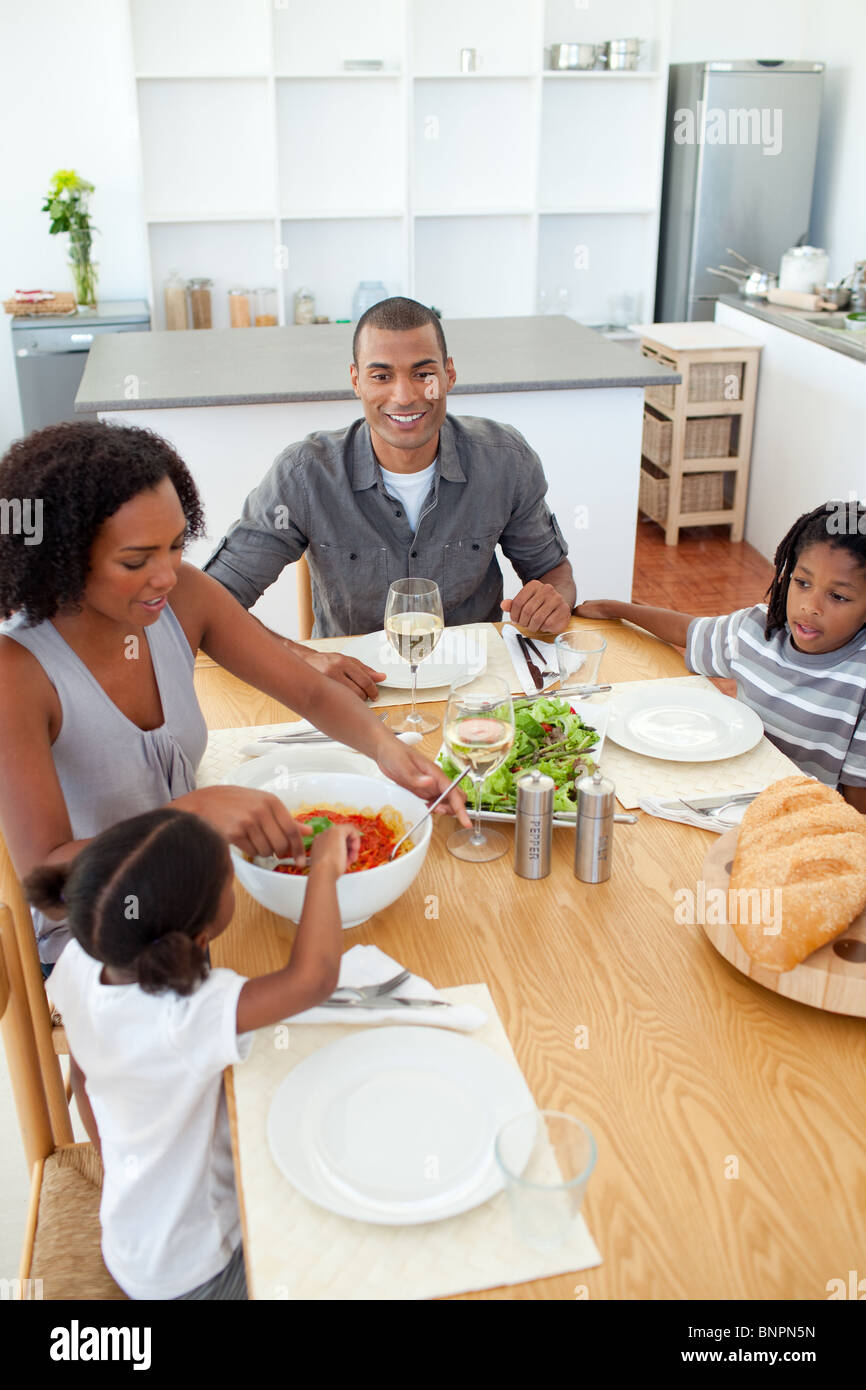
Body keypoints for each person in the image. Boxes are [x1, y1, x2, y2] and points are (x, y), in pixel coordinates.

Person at [0, 421, 468, 971]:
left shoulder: (183, 598)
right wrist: (188, 817)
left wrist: (392, 754)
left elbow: (312, 693)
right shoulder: (19, 675)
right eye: (136, 561)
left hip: (198, 903)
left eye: (176, 546)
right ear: (64, 556)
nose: (166, 575)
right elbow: (46, 881)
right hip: (99, 955)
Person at [25, 805, 360, 1300]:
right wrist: (325, 870)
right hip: (200, 1272)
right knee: (348, 1243)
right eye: (228, 883)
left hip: (130, 1243)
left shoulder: (79, 961)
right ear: (199, 938)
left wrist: (118, 1163)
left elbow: (85, 1082)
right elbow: (312, 979)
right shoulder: (186, 1011)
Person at [204, 296, 577, 663]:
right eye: (381, 376)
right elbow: (213, 600)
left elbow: (551, 571)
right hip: (352, 691)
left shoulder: (504, 460)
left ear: (449, 374)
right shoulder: (304, 474)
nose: (404, 396)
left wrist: (553, 598)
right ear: (356, 381)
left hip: (470, 690)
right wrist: (303, 660)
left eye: (423, 374)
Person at [577, 501, 866, 810]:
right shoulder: (755, 631)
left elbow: (856, 811)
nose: (810, 606)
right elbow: (687, 631)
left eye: (838, 596)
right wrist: (616, 609)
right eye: (802, 582)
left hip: (804, 822)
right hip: (726, 799)